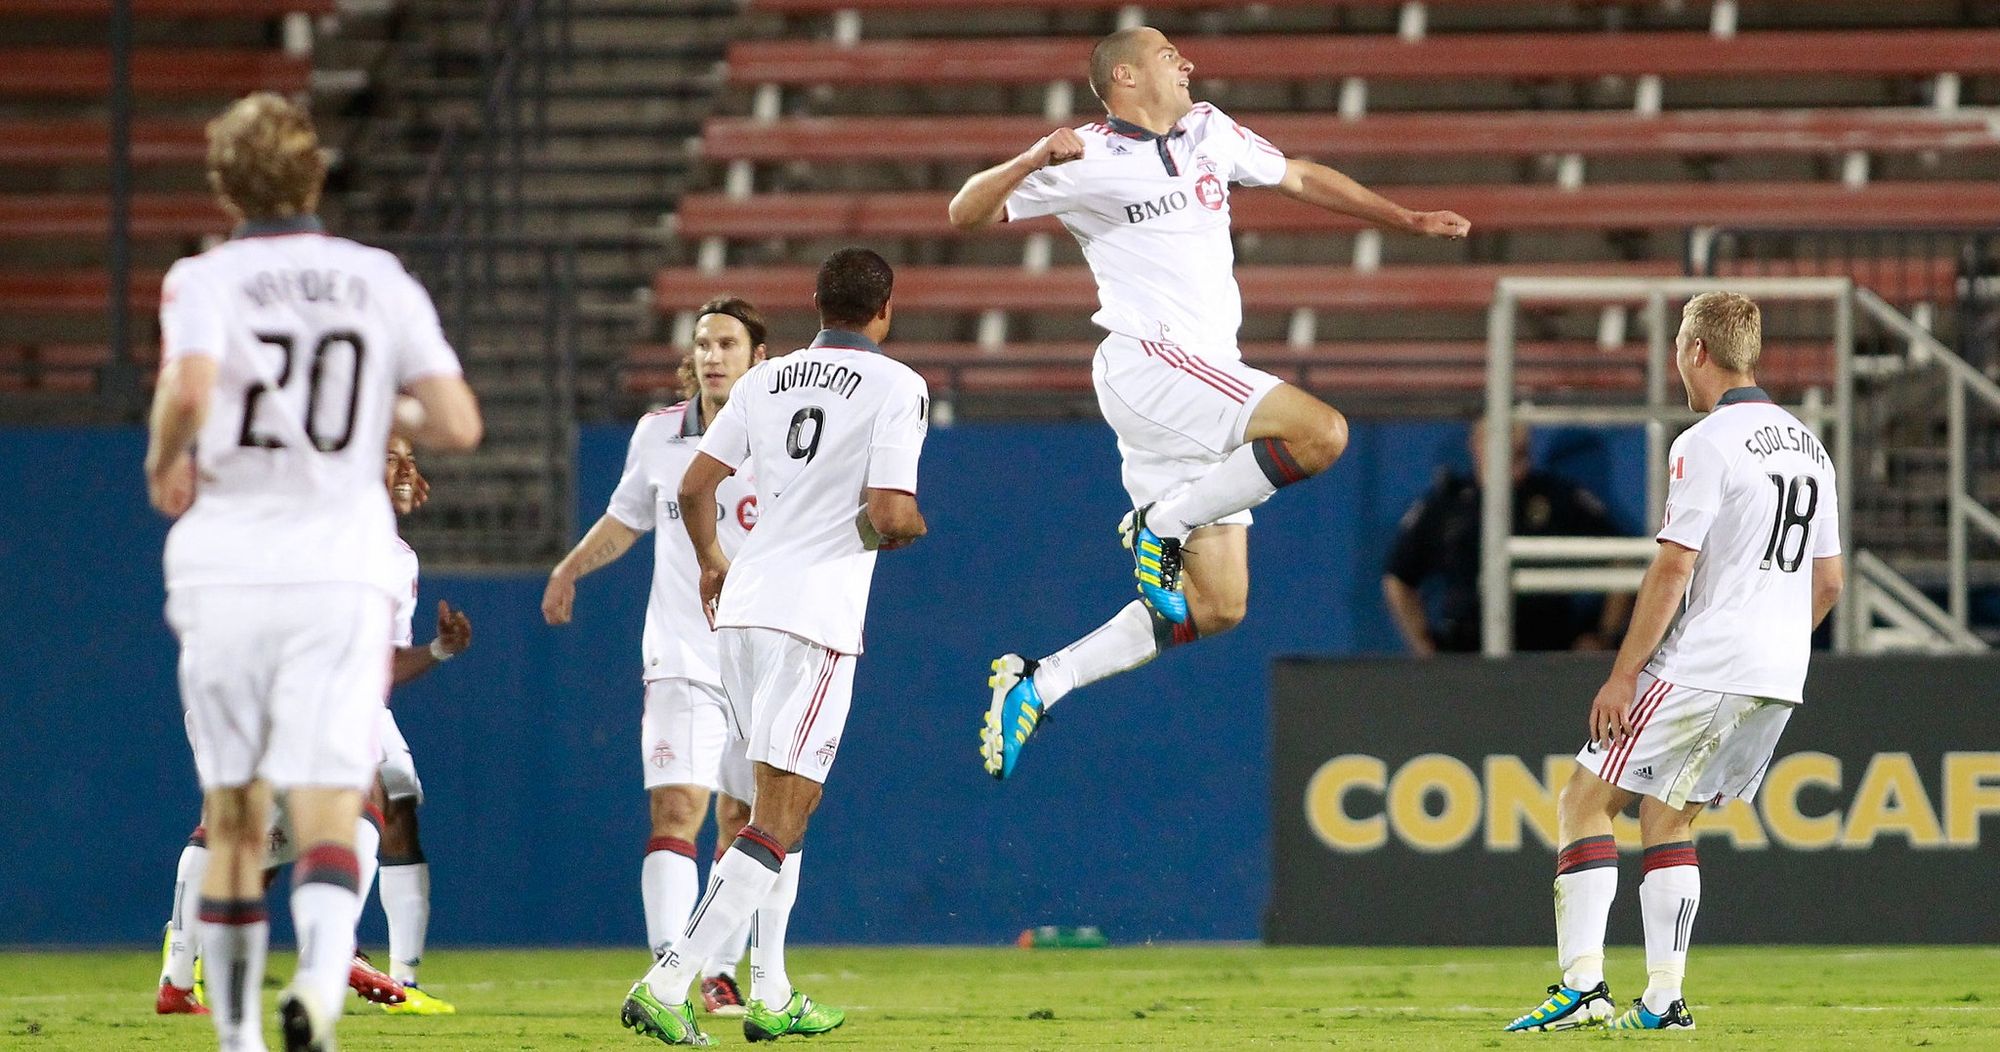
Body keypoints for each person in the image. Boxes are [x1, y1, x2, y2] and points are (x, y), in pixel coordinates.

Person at [946, 25, 1471, 779]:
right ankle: (1162, 525)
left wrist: (1407, 219)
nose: (1187, 62)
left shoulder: (1208, 130)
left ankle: (1041, 680)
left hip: (1198, 383)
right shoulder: (1085, 155)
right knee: (1322, 433)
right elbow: (964, 213)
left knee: (1218, 606)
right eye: (1168, 55)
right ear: (1126, 77)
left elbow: (1299, 177)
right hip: (1153, 362)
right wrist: (1032, 158)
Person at [146, 91, 481, 1052]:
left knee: (236, 816)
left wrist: (164, 456)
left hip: (229, 568)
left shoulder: (203, 280)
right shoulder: (376, 279)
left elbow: (191, 390)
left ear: (224, 184)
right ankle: (320, 991)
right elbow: (456, 423)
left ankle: (240, 1036)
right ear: (315, 175)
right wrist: (380, 407)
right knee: (339, 809)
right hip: (340, 572)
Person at [1504, 293, 1843, 1033]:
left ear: (1696, 351)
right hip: (1780, 673)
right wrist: (1775, 645)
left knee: (1584, 799)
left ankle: (1583, 987)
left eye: (1678, 348)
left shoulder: (1706, 442)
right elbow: (1829, 584)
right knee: (1668, 815)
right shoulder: (1809, 448)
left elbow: (1673, 566)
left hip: (1707, 662)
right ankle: (1662, 1000)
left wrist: (1624, 673)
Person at [618, 248, 929, 1046]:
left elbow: (695, 485)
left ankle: (771, 990)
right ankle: (669, 982)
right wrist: (910, 527)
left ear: (816, 304)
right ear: (885, 310)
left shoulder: (765, 380)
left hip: (744, 608)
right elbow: (891, 513)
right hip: (813, 617)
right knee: (783, 811)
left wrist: (711, 560)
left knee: (776, 811)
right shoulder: (898, 385)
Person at [156, 438, 472, 1018]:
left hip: (295, 679)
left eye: (409, 459)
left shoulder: (390, 553)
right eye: (389, 457)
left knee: (347, 803)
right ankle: (331, 948)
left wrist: (437, 650)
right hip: (250, 670)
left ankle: (180, 979)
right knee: (291, 810)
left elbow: (379, 661)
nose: (406, 470)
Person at [543, 295, 768, 1016]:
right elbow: (626, 519)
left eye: (727, 344)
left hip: (761, 658)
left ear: (758, 358)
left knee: (745, 818)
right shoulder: (658, 434)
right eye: (704, 343)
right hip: (679, 653)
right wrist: (570, 568)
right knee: (677, 807)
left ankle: (719, 971)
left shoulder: (781, 435)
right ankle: (670, 969)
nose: (712, 356)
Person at [1383, 421, 1633, 654]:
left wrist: (1604, 635)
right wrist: (1424, 647)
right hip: (1468, 653)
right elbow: (1398, 578)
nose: (1519, 464)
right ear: (1477, 445)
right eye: (1510, 453)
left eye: (1523, 454)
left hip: (1546, 651)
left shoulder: (1555, 497)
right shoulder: (1446, 505)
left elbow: (1623, 557)